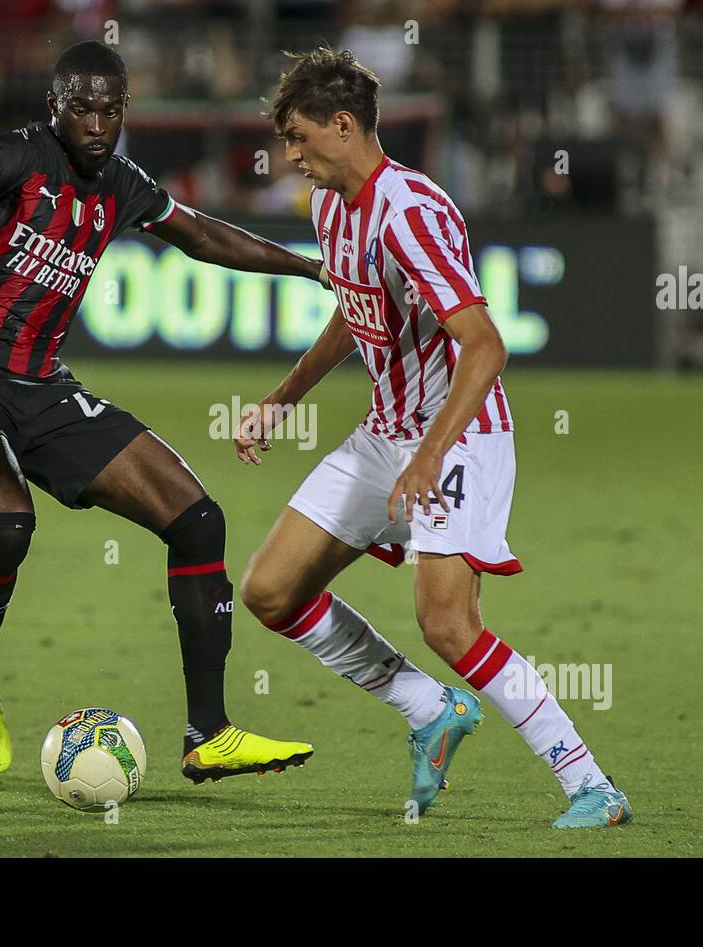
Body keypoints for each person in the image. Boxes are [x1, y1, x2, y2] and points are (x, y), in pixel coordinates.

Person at [0, 40, 322, 783]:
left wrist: (312, 266)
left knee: (197, 517)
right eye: (83, 107)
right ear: (55, 106)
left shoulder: (121, 183)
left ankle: (207, 733)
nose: (98, 122)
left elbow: (205, 235)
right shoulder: (12, 158)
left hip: (44, 387)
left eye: (111, 108)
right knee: (7, 526)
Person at [234, 46, 631, 827]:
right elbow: (355, 314)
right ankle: (428, 707)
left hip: (460, 434)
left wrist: (428, 454)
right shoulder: (329, 208)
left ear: (342, 125)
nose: (290, 155)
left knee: (448, 623)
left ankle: (592, 783)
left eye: (299, 136)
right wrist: (283, 398)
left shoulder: (410, 211)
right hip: (388, 435)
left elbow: (484, 343)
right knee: (271, 591)